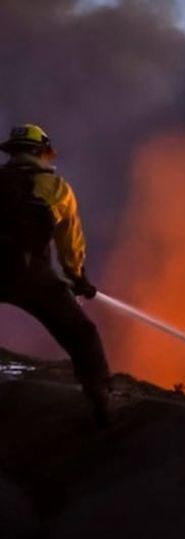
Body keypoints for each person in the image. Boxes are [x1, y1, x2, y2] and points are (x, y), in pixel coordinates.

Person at [0, 124, 110, 423]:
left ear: (12, 152)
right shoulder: (56, 187)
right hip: (31, 274)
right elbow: (70, 243)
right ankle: (100, 400)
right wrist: (77, 279)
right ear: (41, 152)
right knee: (82, 334)